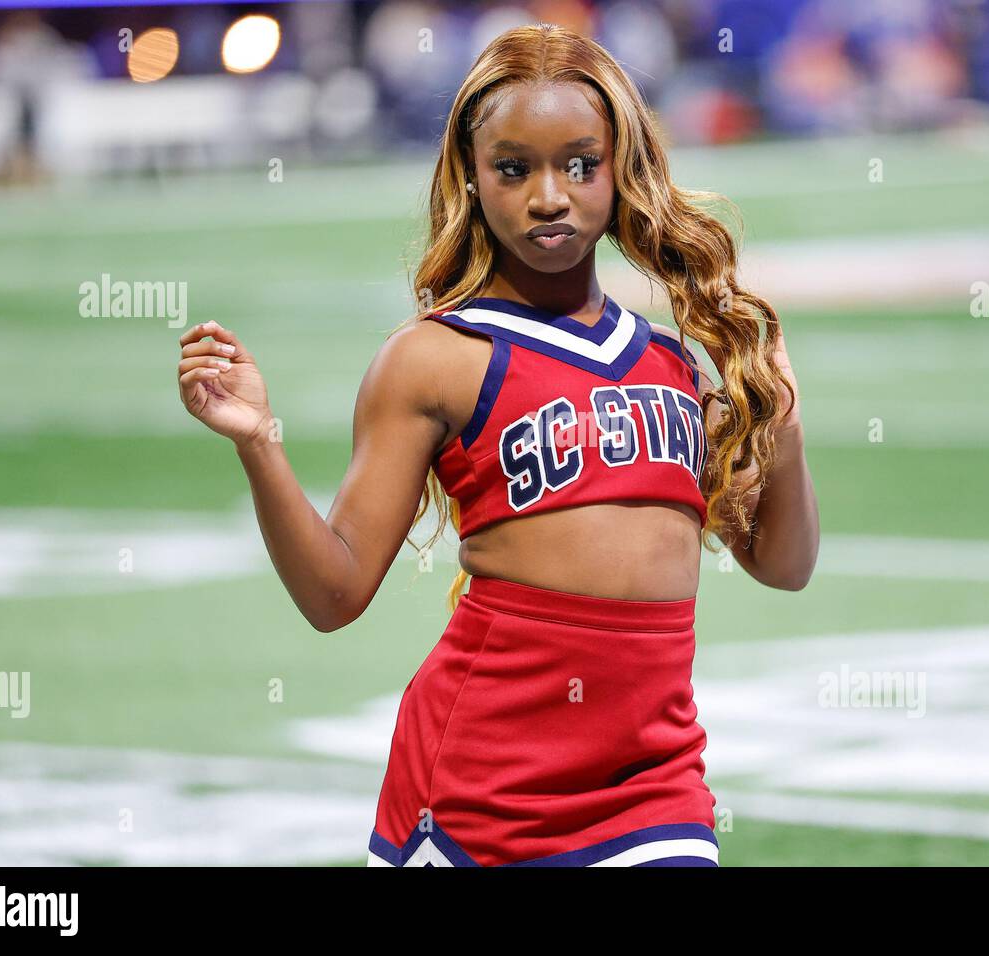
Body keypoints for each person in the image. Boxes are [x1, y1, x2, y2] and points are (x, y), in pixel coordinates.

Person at [176, 22, 818, 867]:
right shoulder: (433, 360)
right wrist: (258, 441)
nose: (548, 195)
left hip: (655, 784)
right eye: (513, 168)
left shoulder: (673, 364)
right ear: (471, 180)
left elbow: (782, 561)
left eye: (579, 163)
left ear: (619, 169)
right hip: (482, 794)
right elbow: (334, 595)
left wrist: (784, 420)